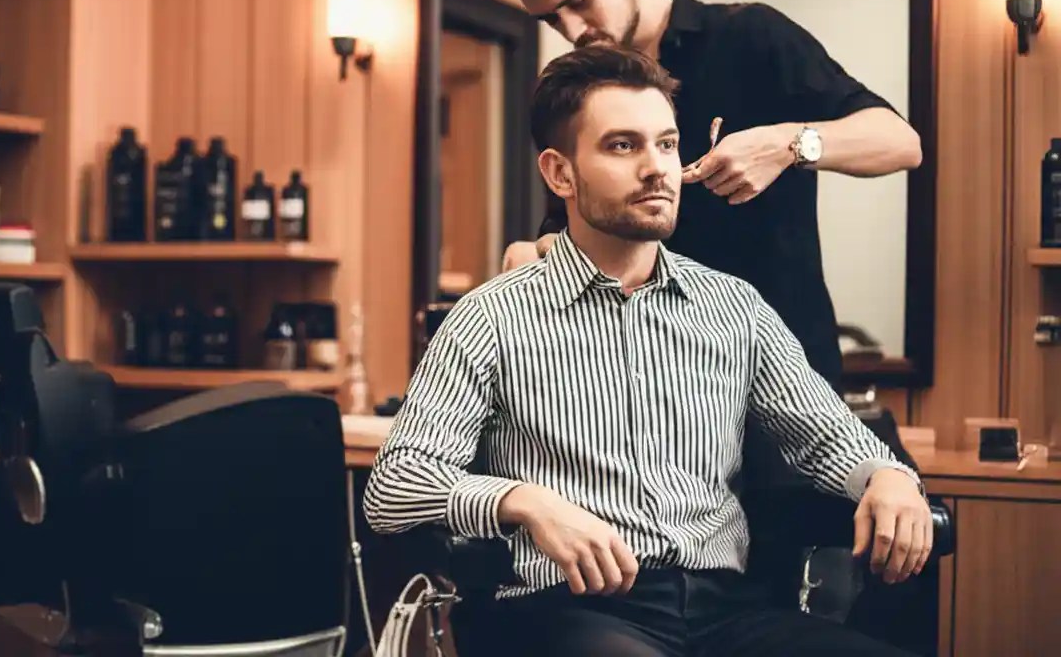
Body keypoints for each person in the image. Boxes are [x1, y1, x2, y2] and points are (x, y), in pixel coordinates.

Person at [363, 46, 930, 656]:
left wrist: (887, 476)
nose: (657, 168)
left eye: (667, 144)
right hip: (571, 610)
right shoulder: (491, 318)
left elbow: (827, 436)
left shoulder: (735, 308)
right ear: (560, 174)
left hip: (727, 612)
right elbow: (394, 486)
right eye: (622, 146)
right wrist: (523, 502)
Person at [492, 0, 922, 391]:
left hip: (777, 371)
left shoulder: (750, 36)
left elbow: (901, 142)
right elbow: (573, 222)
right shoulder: (580, 89)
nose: (573, 30)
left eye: (580, 2)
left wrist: (786, 143)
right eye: (552, 18)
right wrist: (540, 250)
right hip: (653, 381)